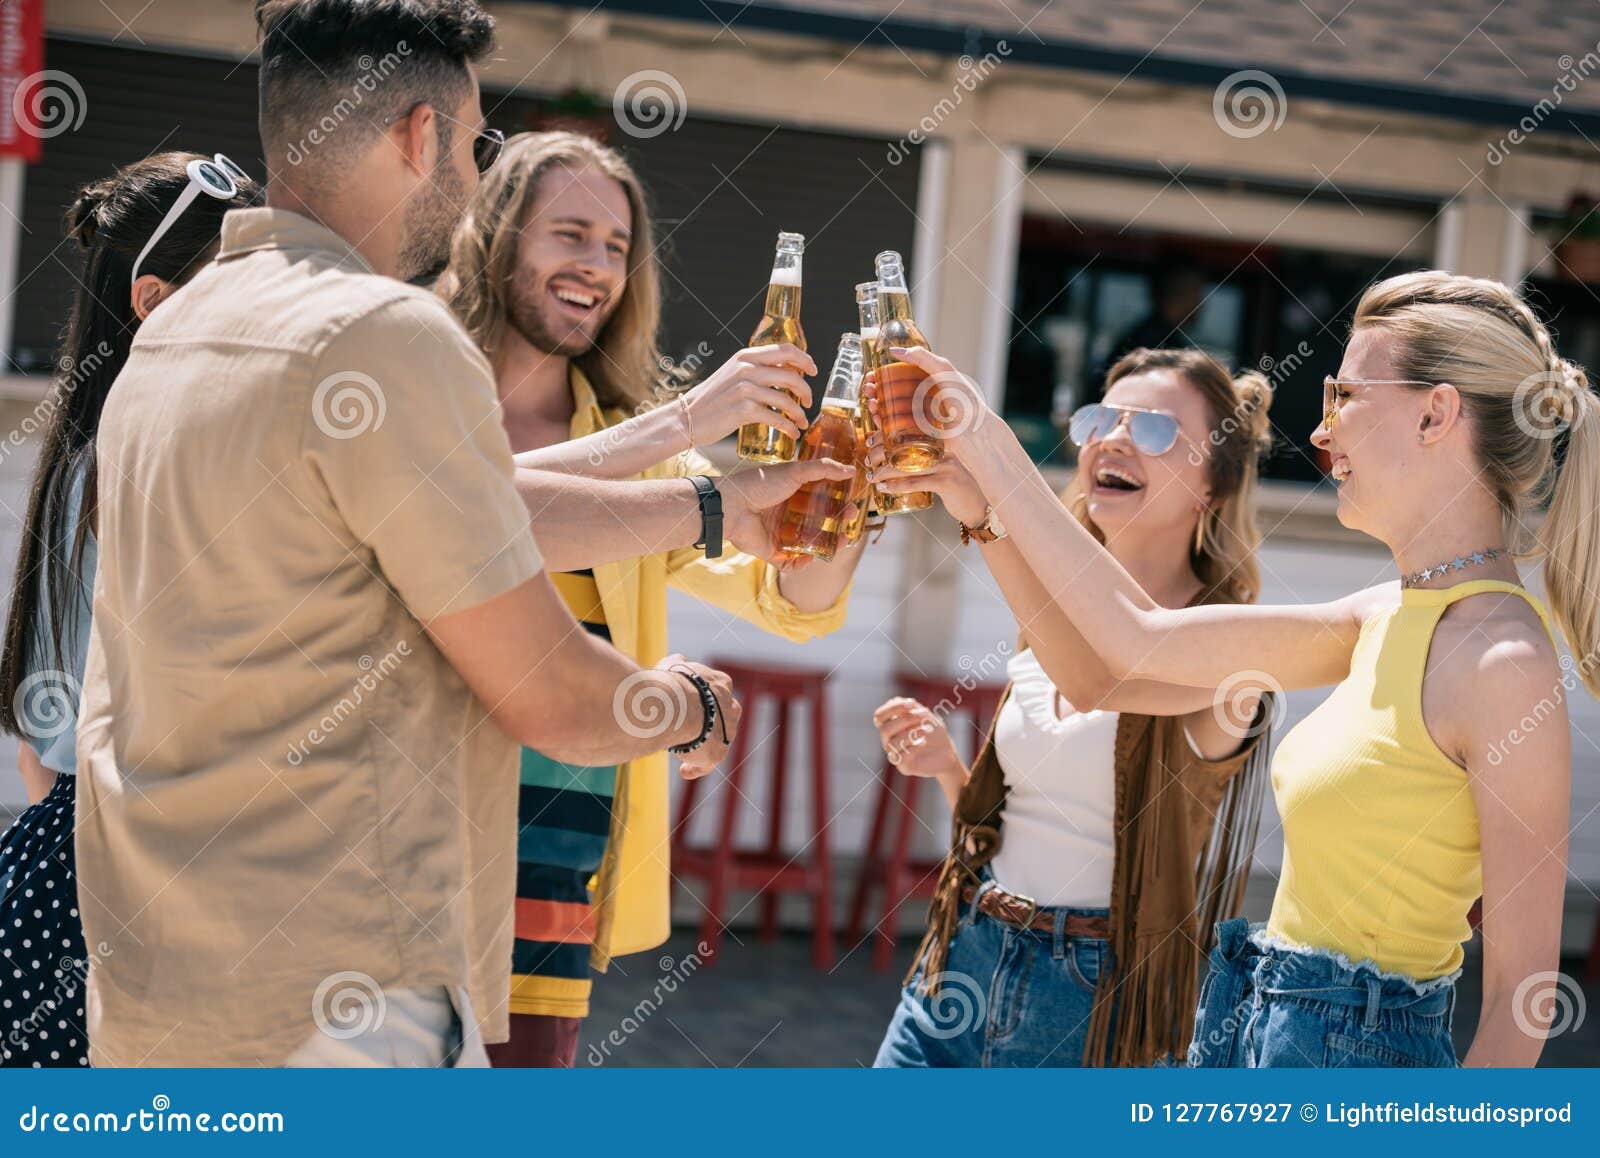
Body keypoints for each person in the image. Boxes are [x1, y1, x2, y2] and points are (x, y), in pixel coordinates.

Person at [73, 0, 841, 1069]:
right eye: (475, 142)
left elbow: (482, 505)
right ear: (419, 137)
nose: (477, 177)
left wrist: (708, 504)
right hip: (334, 1000)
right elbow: (551, 694)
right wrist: (687, 704)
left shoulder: (178, 332)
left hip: (158, 991)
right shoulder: (388, 335)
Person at [871, 269, 1597, 1068]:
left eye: (1344, 396)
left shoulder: (1505, 662)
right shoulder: (1382, 614)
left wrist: (985, 438)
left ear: (1434, 414)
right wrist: (980, 495)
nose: (1322, 434)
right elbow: (1123, 653)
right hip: (1256, 1033)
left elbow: (1520, 1009)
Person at [434, 130, 864, 1066]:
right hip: (408, 851)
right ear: (496, 238)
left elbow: (792, 599)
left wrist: (841, 499)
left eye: (617, 247)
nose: (597, 266)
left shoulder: (638, 445)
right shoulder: (425, 397)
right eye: (570, 234)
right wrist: (694, 418)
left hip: (555, 870)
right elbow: (462, 504)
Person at [868, 348, 1274, 1068]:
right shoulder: (1046, 620)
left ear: (1212, 484)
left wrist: (987, 511)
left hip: (1087, 999)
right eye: (1099, 419)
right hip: (963, 955)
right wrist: (949, 770)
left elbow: (1102, 678)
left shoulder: (1228, 649)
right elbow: (1014, 830)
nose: (1112, 439)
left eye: (1152, 430)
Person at [0, 152, 262, 1068]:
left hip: (60, 870)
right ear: (153, 299)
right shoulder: (156, 466)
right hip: (127, 886)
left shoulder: (86, 460)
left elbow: (42, 741)